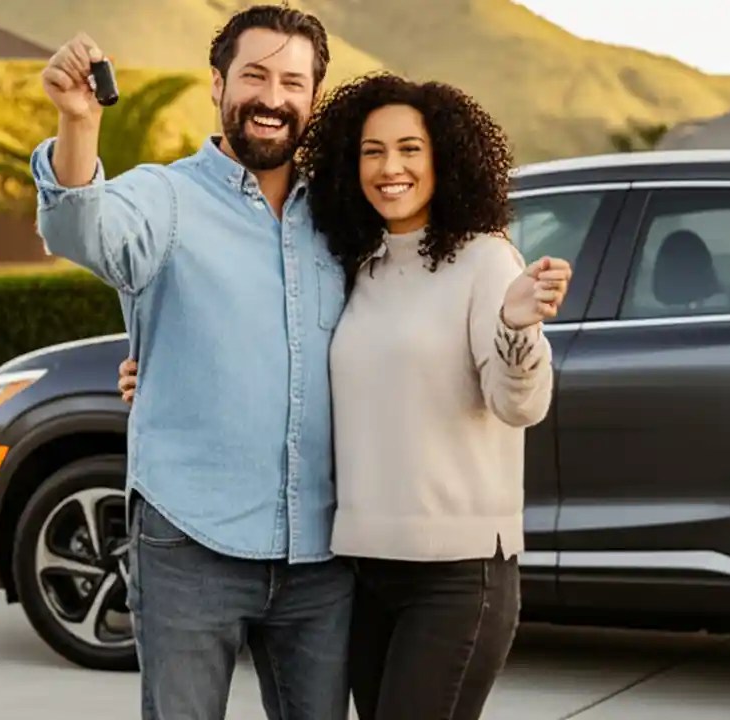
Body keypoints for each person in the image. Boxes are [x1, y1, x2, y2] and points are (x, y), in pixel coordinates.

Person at [120, 71, 572, 720]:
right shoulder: (352, 263)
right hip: (363, 571)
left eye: (411, 149)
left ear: (444, 155)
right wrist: (159, 373)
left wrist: (518, 326)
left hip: (457, 573)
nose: (392, 167)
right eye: (372, 151)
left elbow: (519, 404)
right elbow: (287, 365)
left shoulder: (485, 260)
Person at [30, 6, 354, 720]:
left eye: (293, 82)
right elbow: (82, 227)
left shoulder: (341, 216)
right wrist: (80, 123)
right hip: (190, 542)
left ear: (314, 99)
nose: (273, 98)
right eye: (255, 76)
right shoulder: (165, 197)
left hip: (322, 553)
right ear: (218, 84)